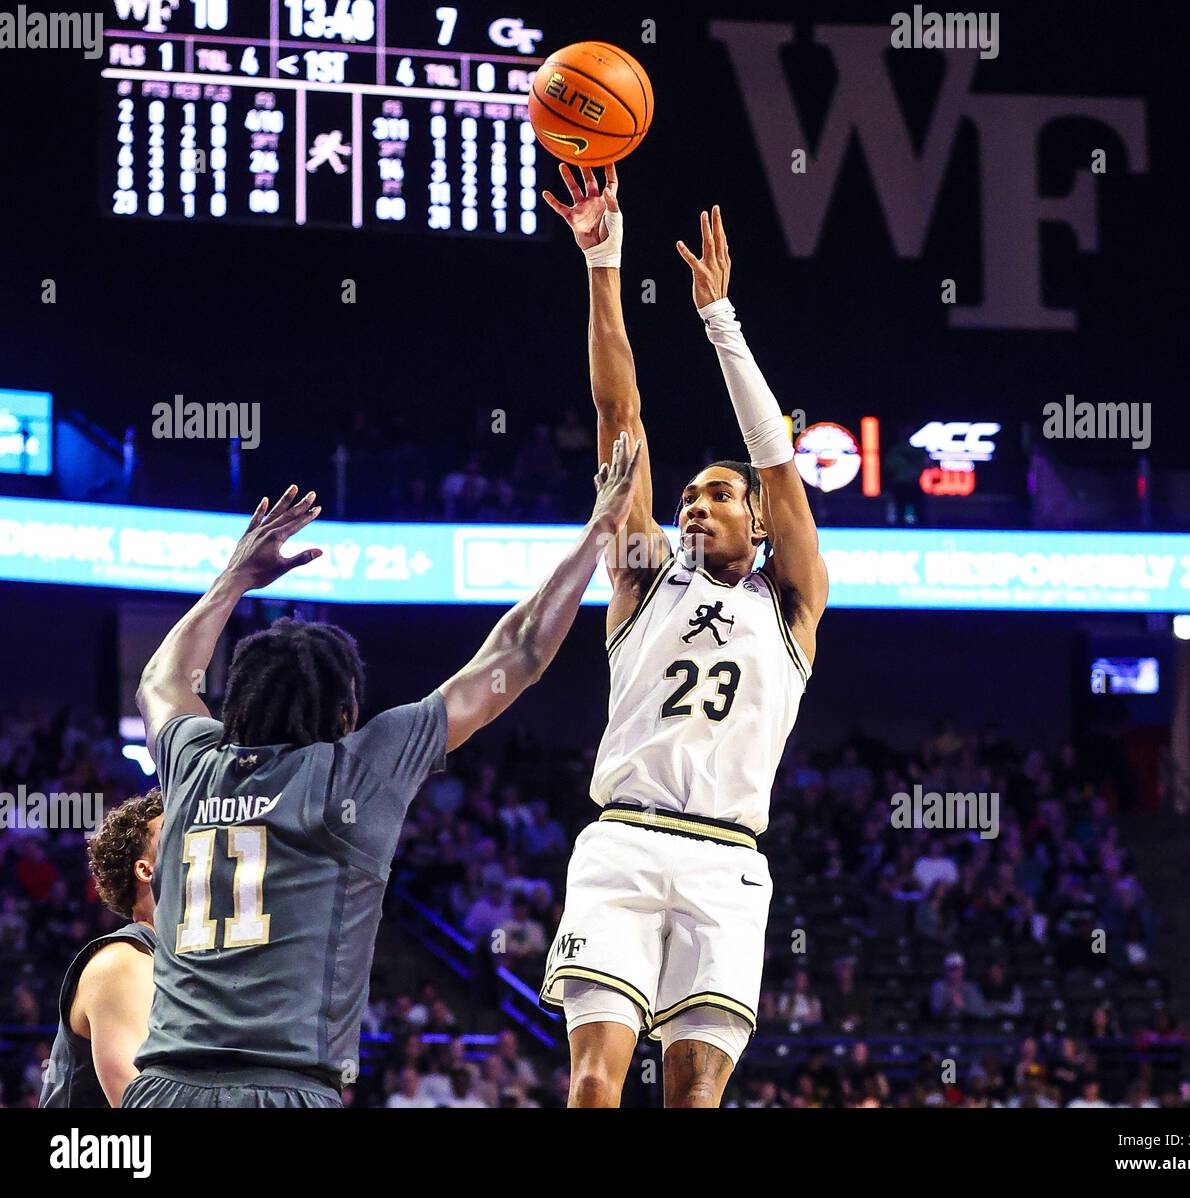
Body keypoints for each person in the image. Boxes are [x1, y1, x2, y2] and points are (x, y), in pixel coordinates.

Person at [123, 444, 643, 1109]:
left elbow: (160, 680)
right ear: (345, 712)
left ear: (237, 702)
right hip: (284, 1090)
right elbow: (519, 652)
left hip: (160, 1091)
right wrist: (600, 529)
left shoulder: (192, 765)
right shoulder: (356, 771)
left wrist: (233, 579)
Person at [539, 164, 829, 1107]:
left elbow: (780, 466)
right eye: (690, 494)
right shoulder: (640, 572)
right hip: (622, 843)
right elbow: (617, 413)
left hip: (729, 860)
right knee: (592, 1084)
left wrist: (721, 322)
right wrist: (603, 262)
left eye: (719, 493)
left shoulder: (793, 606)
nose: (697, 504)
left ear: (757, 521)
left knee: (694, 1098)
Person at [38, 791, 162, 1108]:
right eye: (177, 835)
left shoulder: (180, 962)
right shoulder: (123, 962)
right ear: (145, 869)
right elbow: (142, 1102)